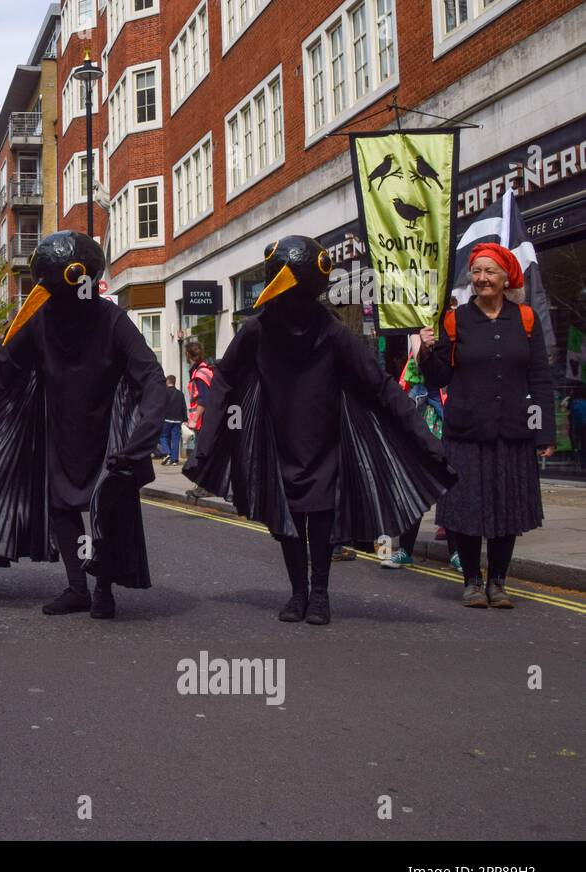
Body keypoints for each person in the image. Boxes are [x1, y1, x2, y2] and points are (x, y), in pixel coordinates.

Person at [184, 235, 454, 625]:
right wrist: (207, 443)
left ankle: (320, 594)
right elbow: (224, 380)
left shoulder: (332, 332)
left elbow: (378, 386)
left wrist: (427, 443)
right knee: (290, 517)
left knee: (321, 515)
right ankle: (299, 594)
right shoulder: (257, 331)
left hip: (325, 437)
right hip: (277, 436)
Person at [0, 230, 169, 620]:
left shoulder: (113, 321)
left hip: (107, 434)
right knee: (62, 507)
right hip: (59, 429)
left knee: (106, 512)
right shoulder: (40, 321)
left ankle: (103, 588)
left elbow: (149, 376)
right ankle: (78, 587)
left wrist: (141, 437)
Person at [419, 243, 554, 609]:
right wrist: (425, 352)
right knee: (466, 509)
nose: (481, 278)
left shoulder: (525, 319)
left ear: (506, 277)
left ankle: (498, 581)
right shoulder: (455, 319)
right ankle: (471, 581)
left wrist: (543, 431)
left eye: (489, 272)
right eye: (476, 272)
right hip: (467, 433)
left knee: (506, 510)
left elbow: (539, 377)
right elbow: (440, 376)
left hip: (512, 432)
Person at [381, 340, 461, 572]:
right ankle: (405, 550)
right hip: (421, 423)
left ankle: (457, 552)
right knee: (415, 488)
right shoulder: (418, 338)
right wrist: (420, 341)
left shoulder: (454, 342)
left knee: (450, 489)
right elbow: (416, 368)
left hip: (448, 424)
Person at [184, 343, 214, 500]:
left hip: (203, 419)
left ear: (187, 354)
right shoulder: (204, 370)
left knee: (202, 453)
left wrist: (194, 420)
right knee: (204, 453)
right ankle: (204, 485)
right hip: (207, 418)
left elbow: (204, 399)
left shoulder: (199, 374)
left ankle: (205, 487)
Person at [159, 376, 187, 466]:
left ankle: (167, 453)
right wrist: (185, 419)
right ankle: (175, 460)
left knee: (163, 437)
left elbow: (160, 406)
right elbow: (184, 408)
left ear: (167, 381)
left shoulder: (164, 393)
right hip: (177, 421)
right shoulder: (180, 394)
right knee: (175, 439)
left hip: (166, 420)